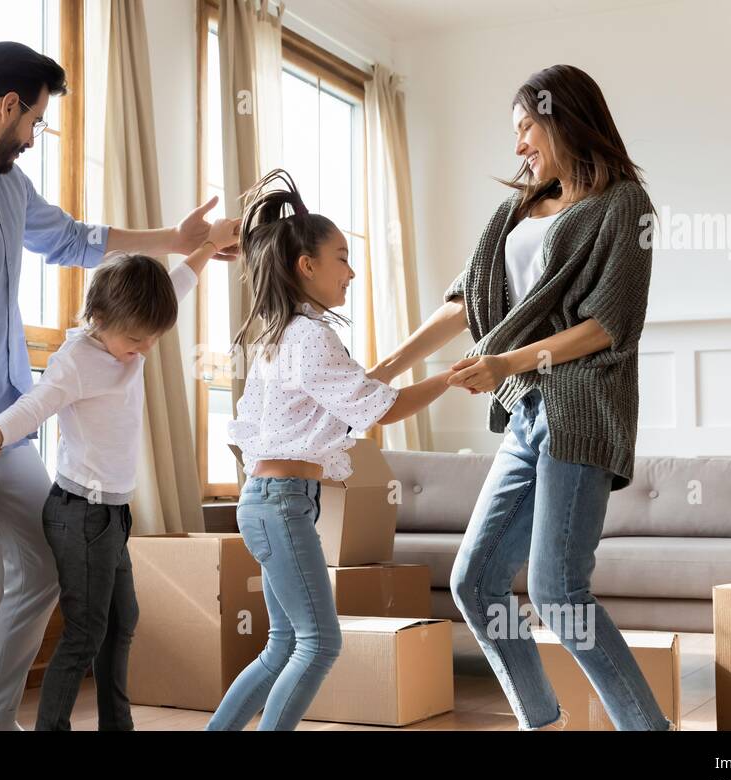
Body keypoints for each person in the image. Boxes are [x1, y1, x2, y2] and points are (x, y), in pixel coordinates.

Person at [0, 41, 234, 731]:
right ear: (7, 106)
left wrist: (177, 242)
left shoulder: (6, 185)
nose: (34, 135)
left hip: (1, 422)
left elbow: (75, 240)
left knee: (50, 562)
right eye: (34, 121)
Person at [369, 65, 675, 731]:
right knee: (473, 581)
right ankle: (545, 722)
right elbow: (464, 301)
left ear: (562, 116)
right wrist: (387, 366)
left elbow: (606, 323)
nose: (518, 147)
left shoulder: (624, 205)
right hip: (528, 415)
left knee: (557, 591)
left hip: (583, 413)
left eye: (526, 129)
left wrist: (507, 358)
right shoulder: (515, 210)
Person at [0, 218, 239, 730]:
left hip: (112, 513)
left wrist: (210, 244)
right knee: (85, 631)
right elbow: (34, 407)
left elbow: (176, 284)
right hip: (79, 515)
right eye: (135, 339)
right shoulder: (76, 361)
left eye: (152, 340)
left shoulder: (130, 332)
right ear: (99, 317)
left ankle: (115, 725)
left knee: (123, 620)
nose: (144, 349)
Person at [206, 169, 456, 731]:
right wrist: (448, 379)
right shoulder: (309, 337)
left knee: (283, 646)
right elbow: (380, 408)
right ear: (306, 265)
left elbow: (349, 401)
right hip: (281, 503)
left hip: (272, 500)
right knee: (318, 644)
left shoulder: (284, 334)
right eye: (342, 257)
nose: (352, 270)